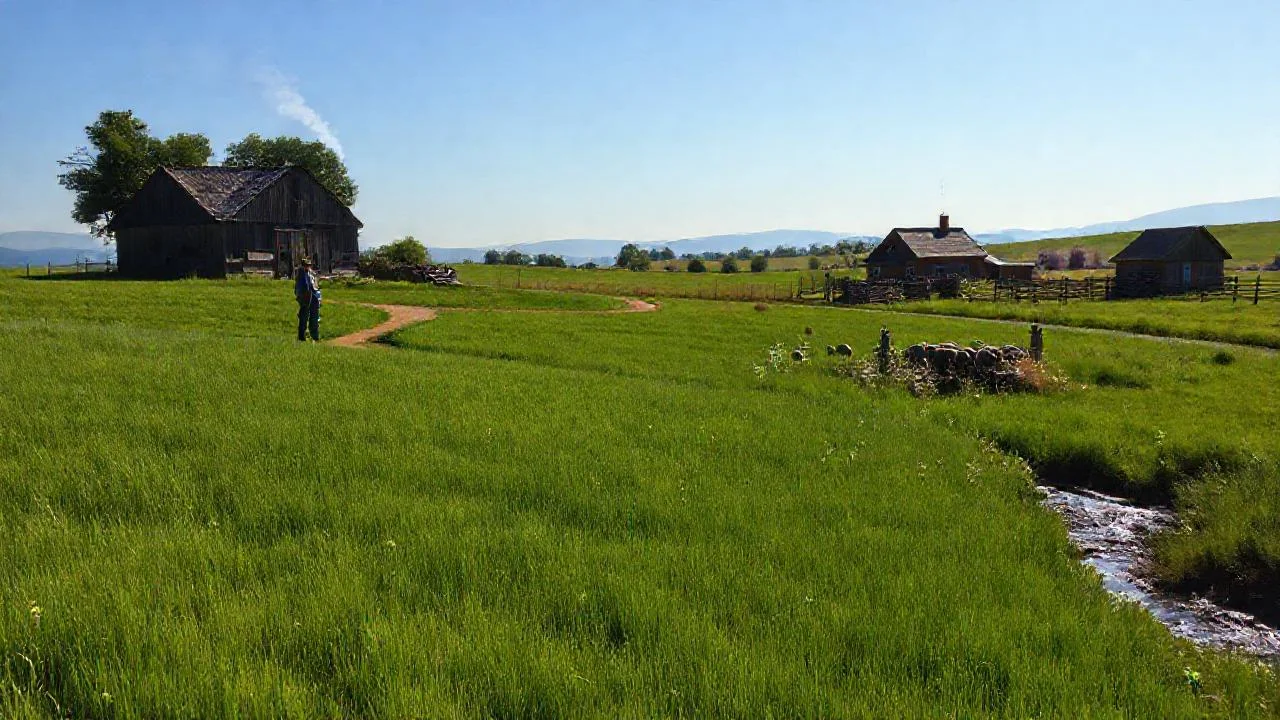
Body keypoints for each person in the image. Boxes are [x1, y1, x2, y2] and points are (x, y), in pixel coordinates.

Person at [294, 257, 321, 341]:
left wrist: (318, 297)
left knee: (314, 318)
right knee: (304, 317)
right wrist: (301, 297)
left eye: (309, 265)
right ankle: (302, 337)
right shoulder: (301, 273)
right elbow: (301, 287)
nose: (307, 266)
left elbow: (315, 285)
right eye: (306, 265)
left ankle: (315, 336)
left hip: (313, 297)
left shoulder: (311, 273)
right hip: (305, 298)